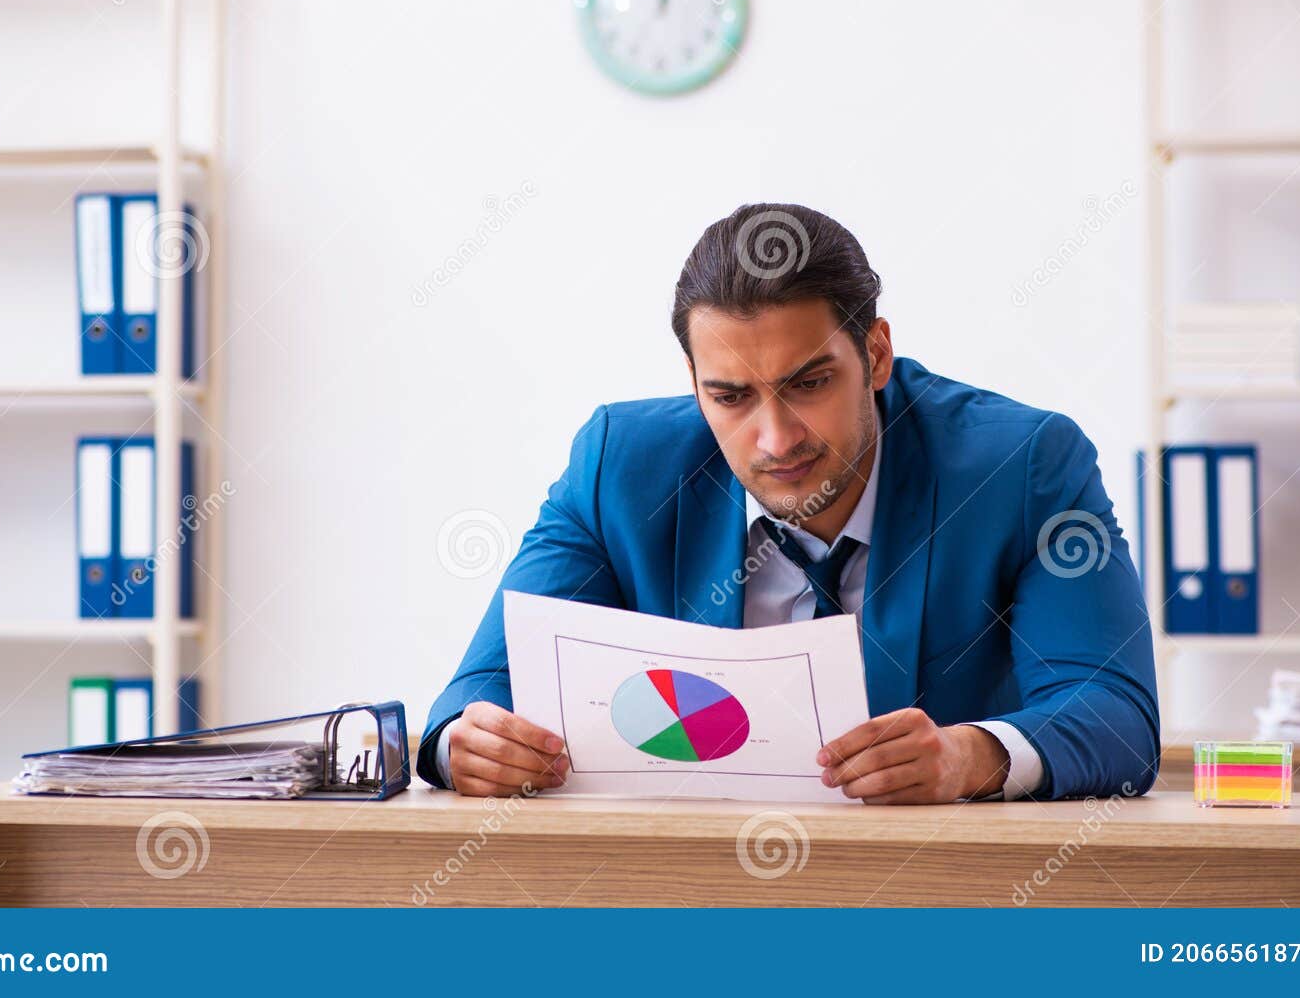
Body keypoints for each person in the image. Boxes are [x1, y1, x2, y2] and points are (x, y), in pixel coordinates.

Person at [419, 203, 1159, 802]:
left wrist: (970, 757)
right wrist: (468, 746)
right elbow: (478, 691)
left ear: (874, 354)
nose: (776, 439)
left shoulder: (1020, 466)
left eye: (809, 383)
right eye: (731, 396)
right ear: (694, 381)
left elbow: (1117, 718)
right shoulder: (620, 465)